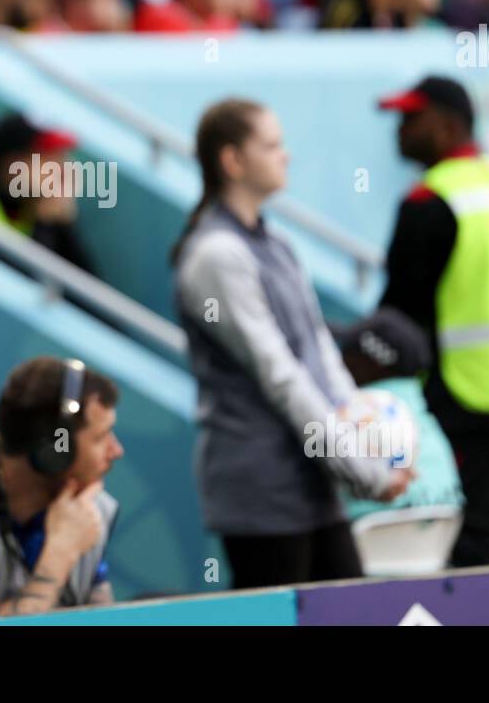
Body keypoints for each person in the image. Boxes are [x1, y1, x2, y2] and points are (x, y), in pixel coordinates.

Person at [172, 98, 411, 589]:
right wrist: (366, 472)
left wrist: (364, 437)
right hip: (262, 496)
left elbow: (319, 350)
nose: (287, 156)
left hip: (314, 485)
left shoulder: (277, 244)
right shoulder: (217, 255)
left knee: (350, 611)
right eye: (272, 145)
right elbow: (279, 373)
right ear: (232, 161)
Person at [375, 75, 489, 568]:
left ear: (450, 125)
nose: (401, 130)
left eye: (413, 119)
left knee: (476, 559)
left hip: (466, 403)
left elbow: (398, 321)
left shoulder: (430, 202)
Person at [0, 357, 122, 618]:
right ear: (54, 453)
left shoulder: (80, 508)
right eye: (100, 438)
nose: (116, 450)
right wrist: (58, 557)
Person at [0, 111, 95, 273]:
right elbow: (12, 281)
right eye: (47, 157)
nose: (62, 167)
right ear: (12, 164)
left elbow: (85, 289)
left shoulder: (38, 203)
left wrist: (63, 227)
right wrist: (44, 225)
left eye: (62, 156)